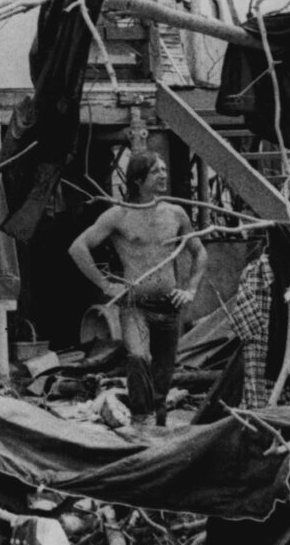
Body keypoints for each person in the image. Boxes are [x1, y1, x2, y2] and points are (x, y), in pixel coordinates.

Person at [69, 151, 207, 425]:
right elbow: (78, 248)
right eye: (157, 171)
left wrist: (190, 289)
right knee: (137, 357)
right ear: (138, 179)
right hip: (135, 307)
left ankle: (158, 419)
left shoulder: (176, 213)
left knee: (164, 373)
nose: (164, 176)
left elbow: (199, 252)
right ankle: (142, 418)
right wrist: (105, 284)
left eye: (165, 170)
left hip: (170, 307)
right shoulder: (118, 216)